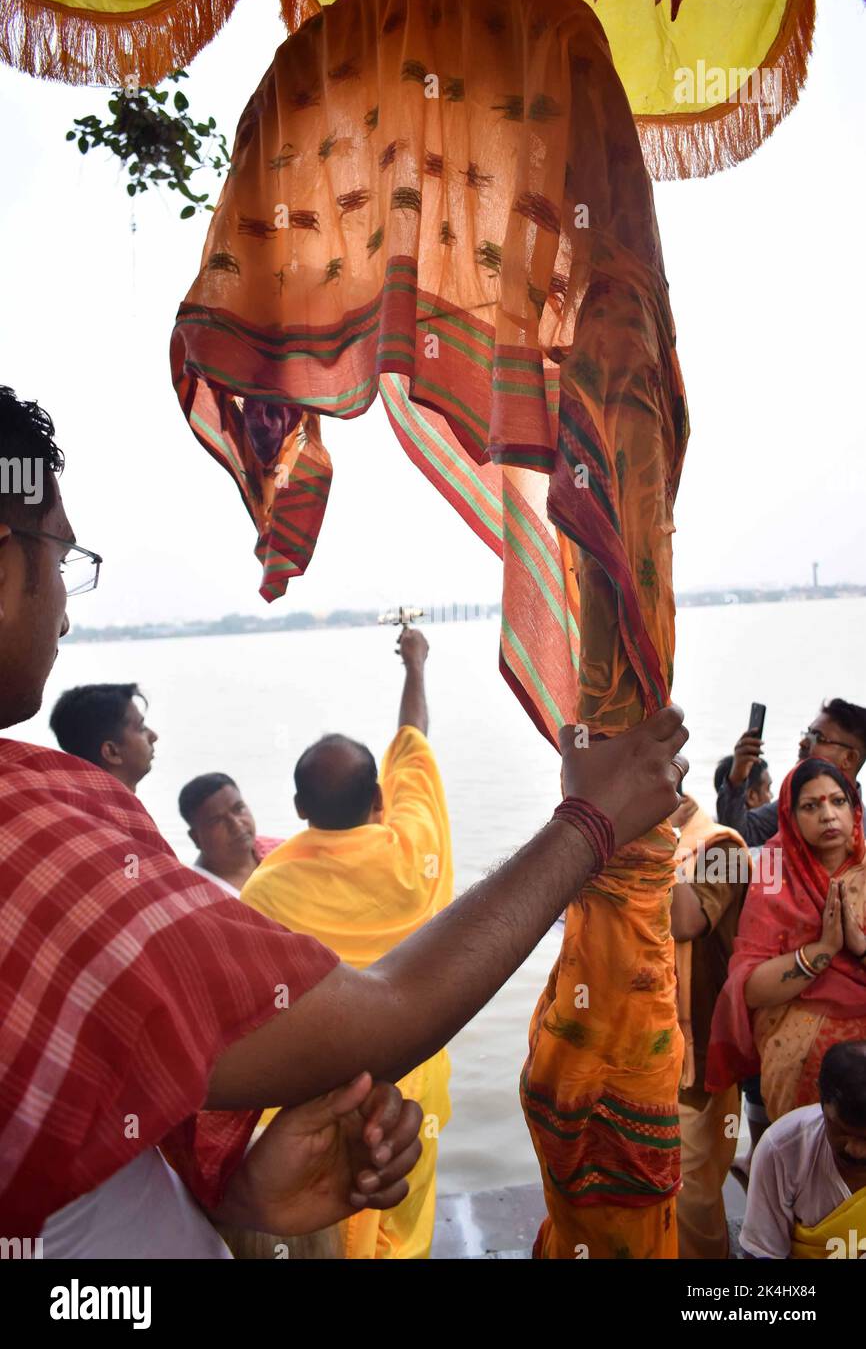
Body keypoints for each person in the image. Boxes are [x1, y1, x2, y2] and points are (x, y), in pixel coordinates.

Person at [0, 386, 690, 1252]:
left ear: (289, 814)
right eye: (62, 558)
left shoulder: (269, 882)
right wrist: (593, 821)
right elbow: (386, 1004)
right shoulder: (39, 834)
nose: (64, 611)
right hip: (380, 1081)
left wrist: (236, 1197)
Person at [241, 625, 451, 1259]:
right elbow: (412, 744)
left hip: (314, 1096)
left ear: (299, 806)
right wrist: (415, 665)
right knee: (401, 1216)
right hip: (412, 1083)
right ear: (381, 800)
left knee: (327, 1225)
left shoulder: (266, 887)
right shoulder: (417, 849)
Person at [707, 759, 866, 1124]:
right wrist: (822, 951)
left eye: (837, 801)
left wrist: (859, 947)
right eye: (811, 806)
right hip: (798, 1024)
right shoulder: (775, 872)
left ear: (854, 808)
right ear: (790, 816)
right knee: (805, 1060)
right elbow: (749, 988)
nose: (828, 815)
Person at [669, 790, 750, 1259]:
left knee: (690, 1189)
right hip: (643, 1041)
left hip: (697, 1044)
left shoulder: (722, 848)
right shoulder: (625, 843)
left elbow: (683, 921)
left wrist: (648, 836)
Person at [739, 1041, 866, 1259]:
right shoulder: (782, 1148)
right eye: (842, 1131)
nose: (856, 1150)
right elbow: (761, 1251)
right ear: (821, 1096)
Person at [716, 702, 866, 847]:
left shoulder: (861, 834)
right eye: (807, 734)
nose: (803, 743)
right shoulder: (790, 804)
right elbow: (740, 834)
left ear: (849, 758)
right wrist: (737, 776)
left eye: (817, 738)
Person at [179, 773, 281, 895]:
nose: (236, 824)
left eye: (238, 809)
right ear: (195, 838)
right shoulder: (196, 896)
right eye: (217, 820)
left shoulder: (281, 852)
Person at [49, 681, 158, 792]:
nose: (154, 736)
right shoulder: (105, 809)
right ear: (111, 752)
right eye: (141, 728)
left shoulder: (70, 804)